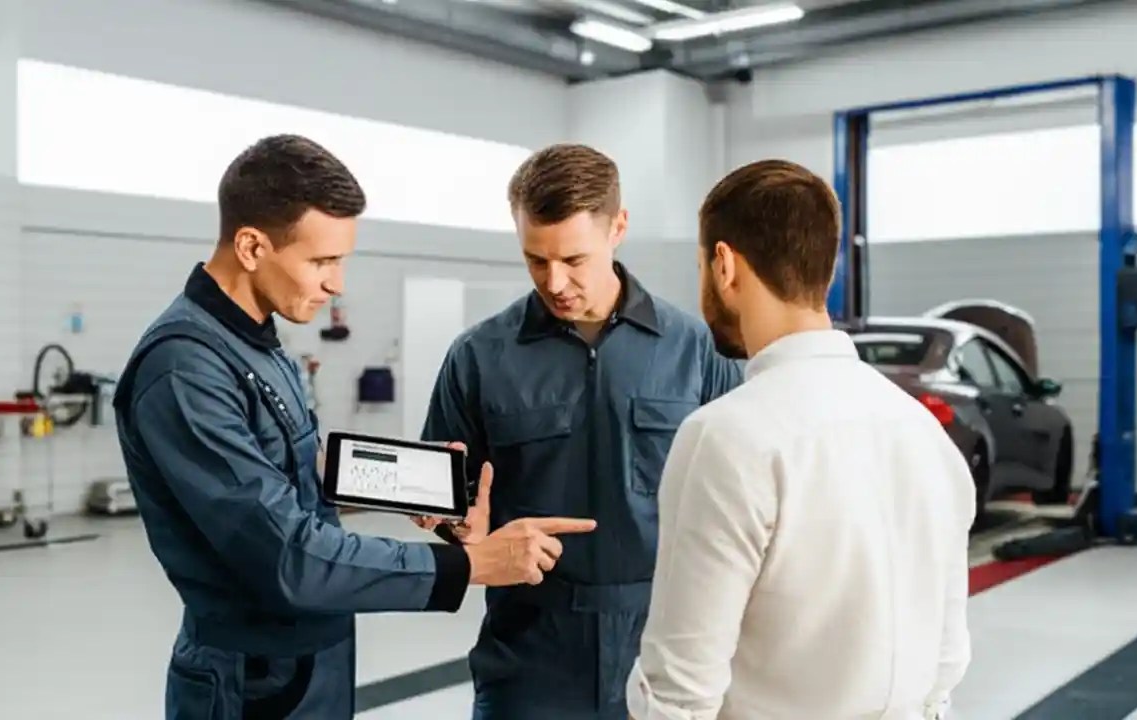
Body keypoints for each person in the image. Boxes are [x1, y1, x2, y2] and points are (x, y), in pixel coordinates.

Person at [111, 134, 597, 720]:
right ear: (251, 246)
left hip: (310, 658)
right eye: (322, 261)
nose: (336, 283)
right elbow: (287, 556)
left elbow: (296, 470)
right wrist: (470, 566)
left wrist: (417, 489)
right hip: (247, 681)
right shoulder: (185, 369)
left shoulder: (257, 344)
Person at [625, 159, 974, 720]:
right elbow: (944, 665)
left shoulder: (725, 437)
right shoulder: (925, 434)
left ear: (724, 266)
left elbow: (679, 698)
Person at [414, 143, 743, 719]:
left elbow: (738, 497)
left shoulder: (694, 349)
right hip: (529, 655)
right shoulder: (478, 356)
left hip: (665, 646)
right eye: (535, 260)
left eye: (573, 259)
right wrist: (457, 526)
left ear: (618, 227)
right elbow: (449, 505)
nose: (555, 281)